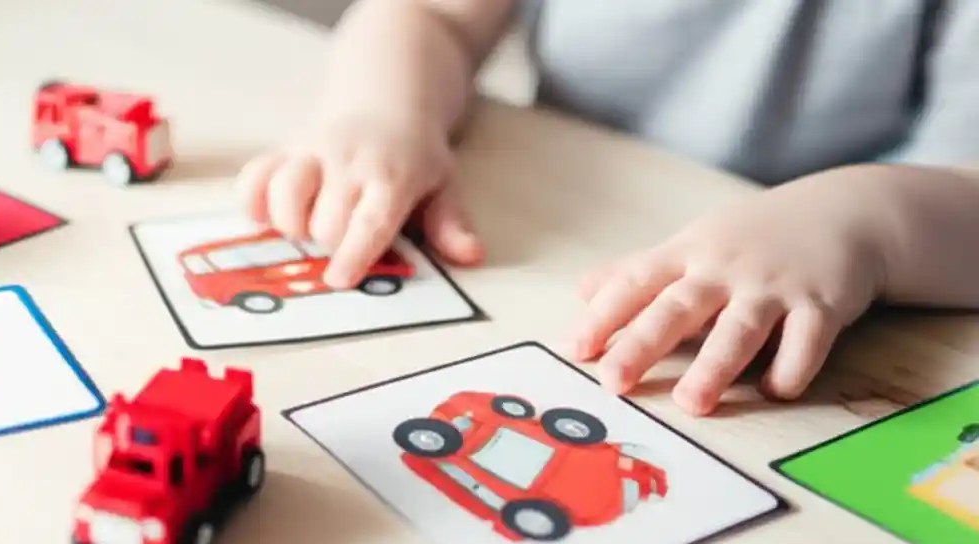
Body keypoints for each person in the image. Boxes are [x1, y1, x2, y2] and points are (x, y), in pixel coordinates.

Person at [235, 0, 979, 415]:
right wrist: (383, 109)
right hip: (556, 251)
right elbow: (432, 14)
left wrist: (860, 222)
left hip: (834, 350)